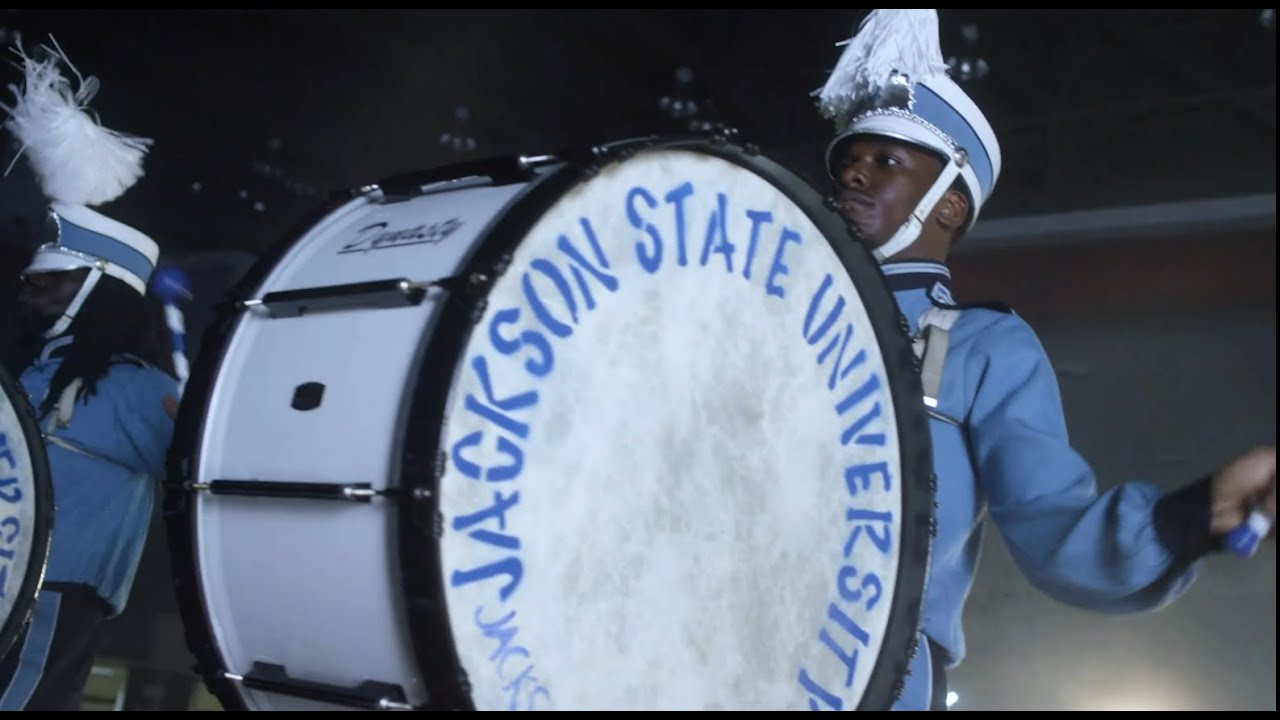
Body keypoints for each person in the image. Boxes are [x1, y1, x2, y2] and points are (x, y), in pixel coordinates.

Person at [812, 9, 1276, 711]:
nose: (853, 173)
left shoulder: (981, 345)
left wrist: (1192, 516)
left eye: (886, 161)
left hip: (880, 683)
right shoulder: (776, 330)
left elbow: (1056, 530)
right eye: (849, 160)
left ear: (948, 204)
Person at [0, 38, 179, 709]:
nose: (30, 292)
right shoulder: (34, 374)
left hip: (61, 585)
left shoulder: (141, 389)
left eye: (52, 284)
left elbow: (199, 468)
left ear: (94, 291)